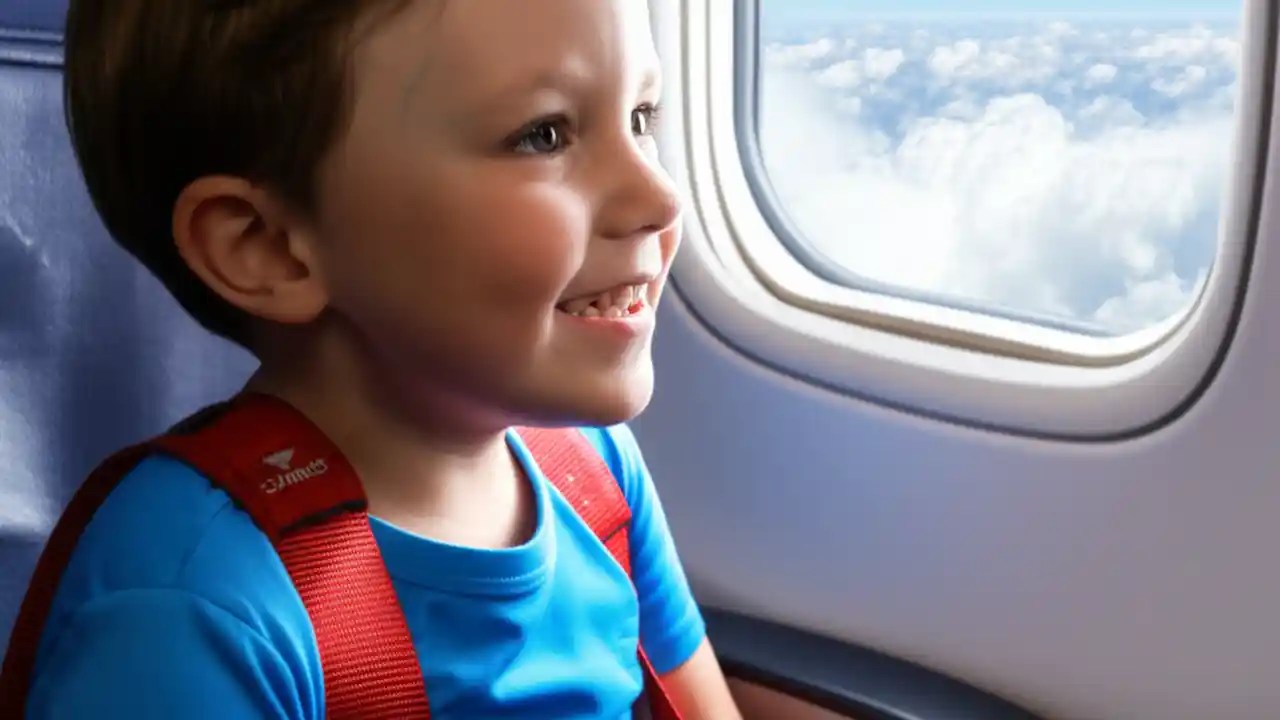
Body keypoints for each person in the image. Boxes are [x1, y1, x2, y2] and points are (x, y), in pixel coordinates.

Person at [14, 0, 742, 716]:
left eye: (643, 117)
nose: (659, 196)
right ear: (267, 247)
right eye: (543, 135)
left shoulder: (594, 471)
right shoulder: (187, 614)